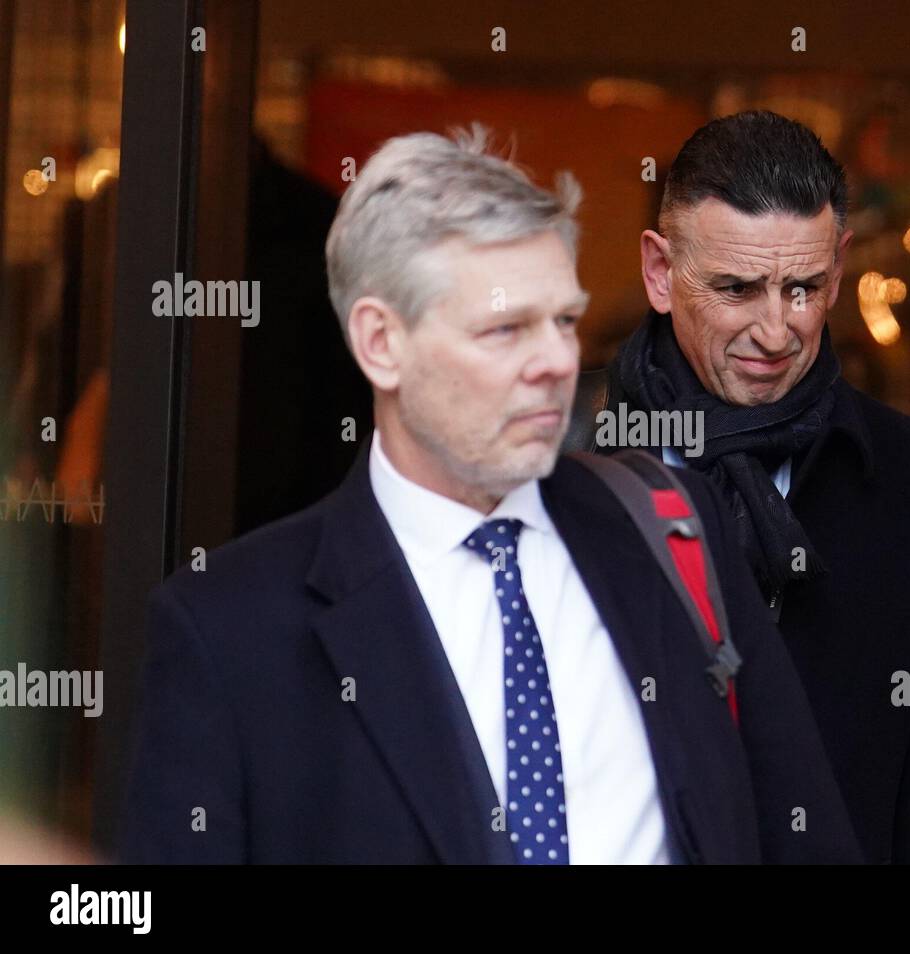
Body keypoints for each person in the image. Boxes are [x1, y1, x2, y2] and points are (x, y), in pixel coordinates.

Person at [117, 127, 859, 865]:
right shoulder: (229, 631)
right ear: (381, 342)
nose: (555, 362)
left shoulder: (671, 533)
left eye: (563, 320)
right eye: (505, 329)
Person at [568, 111, 910, 863]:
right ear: (659, 273)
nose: (776, 331)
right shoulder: (552, 463)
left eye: (804, 288)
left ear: (840, 270)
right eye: (738, 288)